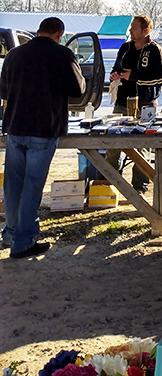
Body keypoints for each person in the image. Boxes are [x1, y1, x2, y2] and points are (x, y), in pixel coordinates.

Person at [1, 17, 86, 259]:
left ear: (38, 32)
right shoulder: (63, 55)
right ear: (59, 34)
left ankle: (10, 234)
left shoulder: (15, 54)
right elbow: (78, 90)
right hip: (44, 127)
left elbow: (3, 90)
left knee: (13, 186)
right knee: (32, 187)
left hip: (15, 126)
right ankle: (23, 242)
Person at [108, 14, 162, 192]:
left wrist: (134, 77)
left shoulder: (155, 50)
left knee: (143, 146)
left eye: (134, 28)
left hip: (145, 105)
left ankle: (139, 186)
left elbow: (161, 78)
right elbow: (117, 67)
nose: (130, 31)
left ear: (145, 30)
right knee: (112, 143)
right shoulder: (125, 47)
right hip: (122, 102)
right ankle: (109, 183)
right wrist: (115, 75)